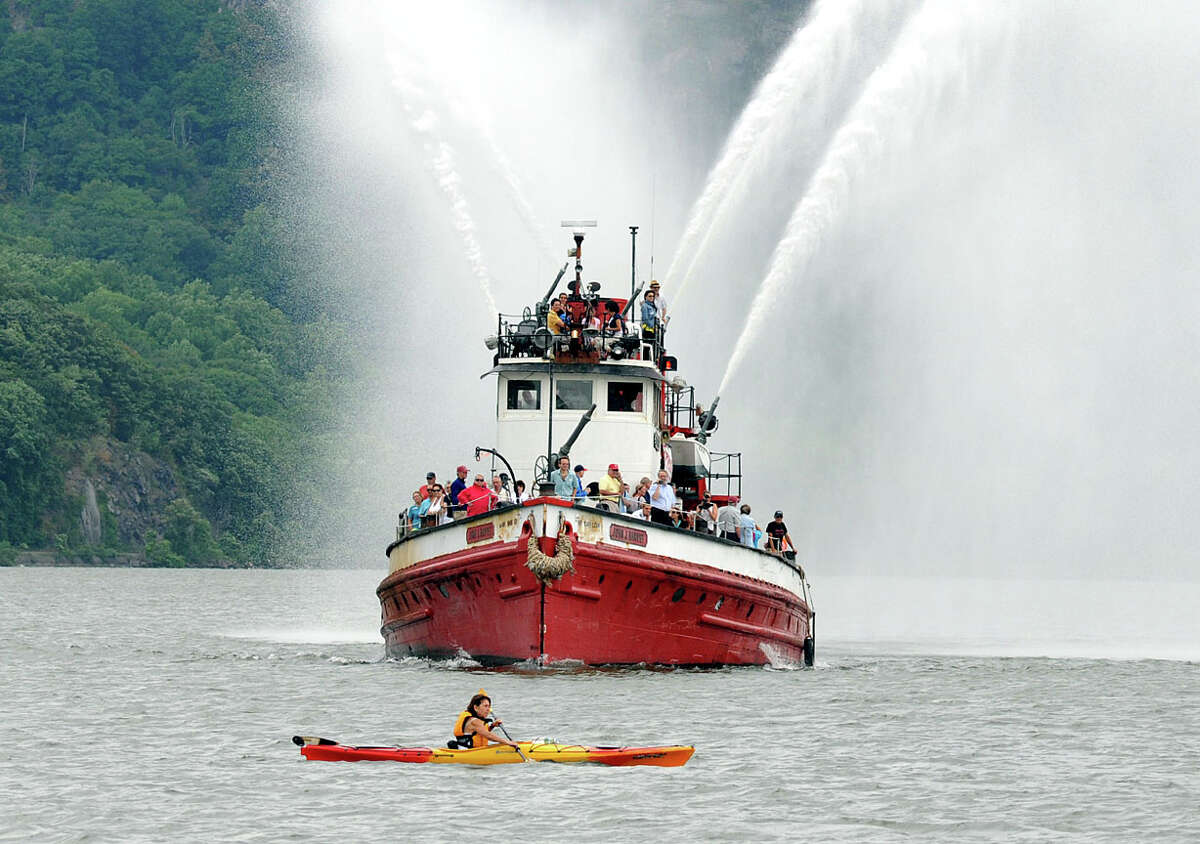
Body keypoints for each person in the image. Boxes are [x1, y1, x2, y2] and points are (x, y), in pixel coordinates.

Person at [450, 691, 520, 750]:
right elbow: (488, 735)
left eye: (489, 706)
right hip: (467, 751)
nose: (488, 709)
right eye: (485, 706)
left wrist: (492, 726)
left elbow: (480, 732)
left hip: (475, 750)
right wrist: (508, 742)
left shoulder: (476, 720)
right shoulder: (474, 721)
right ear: (476, 707)